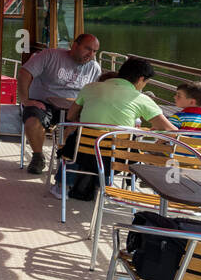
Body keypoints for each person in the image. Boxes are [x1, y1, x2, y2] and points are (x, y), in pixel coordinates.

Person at [56, 57, 177, 199]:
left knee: (75, 137)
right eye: (145, 83)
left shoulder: (90, 87)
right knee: (132, 147)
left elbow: (70, 115)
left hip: (80, 153)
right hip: (117, 159)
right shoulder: (141, 99)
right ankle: (109, 188)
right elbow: (172, 131)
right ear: (141, 79)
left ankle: (62, 185)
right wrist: (153, 138)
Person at [18, 33, 101, 174]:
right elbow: (25, 73)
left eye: (94, 51)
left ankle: (67, 158)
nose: (91, 54)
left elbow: (94, 93)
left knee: (87, 125)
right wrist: (25, 100)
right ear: (74, 45)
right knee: (32, 122)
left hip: (74, 107)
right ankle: (38, 157)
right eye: (87, 49)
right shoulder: (50, 55)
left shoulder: (94, 68)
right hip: (43, 102)